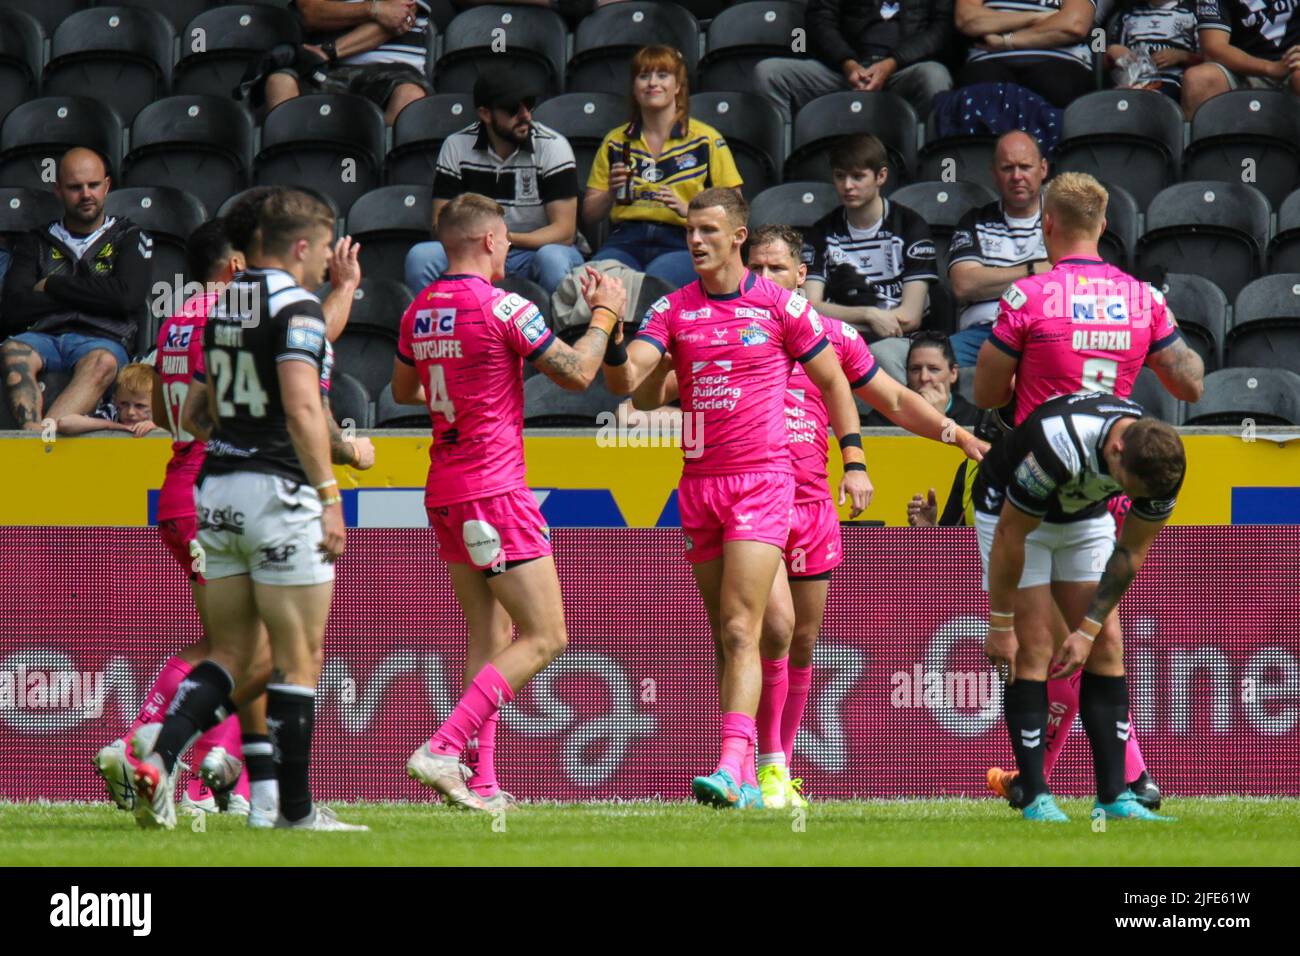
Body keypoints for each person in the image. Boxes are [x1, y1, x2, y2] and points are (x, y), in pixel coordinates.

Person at [631, 222, 986, 807]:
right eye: (759, 268)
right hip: (753, 499)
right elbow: (658, 387)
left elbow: (894, 400)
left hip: (810, 504)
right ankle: (751, 766)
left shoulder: (833, 338)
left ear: (802, 277)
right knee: (754, 630)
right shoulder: (726, 326)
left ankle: (776, 766)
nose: (766, 279)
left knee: (799, 641)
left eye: (778, 269)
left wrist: (951, 432)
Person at [602, 188, 870, 808]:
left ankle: (735, 768)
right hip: (699, 486)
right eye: (690, 231)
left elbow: (834, 380)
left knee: (739, 624)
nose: (695, 241)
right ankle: (755, 766)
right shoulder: (672, 308)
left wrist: (853, 458)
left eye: (708, 231)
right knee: (751, 631)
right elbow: (630, 385)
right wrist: (613, 333)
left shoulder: (778, 306)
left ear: (738, 236)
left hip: (762, 481)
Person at [131, 190, 367, 832]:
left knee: (233, 650)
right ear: (299, 245)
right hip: (278, 490)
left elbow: (198, 410)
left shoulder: (224, 306)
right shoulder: (297, 307)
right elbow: (301, 406)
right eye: (322, 248)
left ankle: (162, 747)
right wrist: (328, 495)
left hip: (216, 488)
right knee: (297, 657)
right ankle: (294, 810)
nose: (324, 262)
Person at [972, 171, 1204, 812]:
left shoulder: (1028, 296)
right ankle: (1050, 790)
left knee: (1088, 641)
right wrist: (1158, 329)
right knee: (1046, 648)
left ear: (1047, 224)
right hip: (1041, 479)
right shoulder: (1142, 298)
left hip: (1089, 476)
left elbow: (985, 394)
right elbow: (1190, 385)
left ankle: (1111, 791)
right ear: (1104, 225)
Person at [393, 193, 627, 811]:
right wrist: (604, 315)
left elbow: (402, 386)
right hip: (494, 489)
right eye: (505, 243)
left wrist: (470, 383)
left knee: (489, 636)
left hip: (444, 488)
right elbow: (577, 374)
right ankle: (444, 748)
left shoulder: (419, 310)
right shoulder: (506, 307)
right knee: (548, 636)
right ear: (493, 241)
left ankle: (483, 778)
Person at [976, 391, 1185, 822]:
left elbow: (1130, 553)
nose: (1128, 496)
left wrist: (1087, 629)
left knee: (1107, 645)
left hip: (1082, 514)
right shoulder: (1058, 443)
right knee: (1033, 647)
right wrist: (1000, 624)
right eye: (1124, 486)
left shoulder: (1163, 465)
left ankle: (1113, 796)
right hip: (1011, 515)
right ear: (1115, 450)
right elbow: (1011, 537)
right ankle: (1034, 795)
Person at [1, 148, 151, 431]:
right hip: (43, 337)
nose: (85, 194)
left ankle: (44, 439)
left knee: (102, 363)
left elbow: (126, 297)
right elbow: (14, 307)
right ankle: (34, 437)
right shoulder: (36, 240)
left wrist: (54, 285)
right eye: (74, 187)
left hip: (102, 341)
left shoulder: (129, 236)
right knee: (12, 350)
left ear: (106, 186)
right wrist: (92, 297)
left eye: (93, 185)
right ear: (58, 190)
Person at [404, 68, 585, 297]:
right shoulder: (457, 146)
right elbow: (440, 225)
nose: (525, 115)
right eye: (512, 109)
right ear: (485, 114)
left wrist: (505, 240)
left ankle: (553, 332)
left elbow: (564, 232)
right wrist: (482, 245)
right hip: (474, 249)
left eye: (528, 104)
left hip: (533, 251)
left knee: (552, 258)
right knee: (422, 257)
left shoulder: (553, 147)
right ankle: (435, 330)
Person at [583, 45, 744, 290]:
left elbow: (736, 207)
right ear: (634, 88)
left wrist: (689, 210)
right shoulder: (616, 140)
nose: (652, 83)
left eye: (662, 75)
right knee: (594, 281)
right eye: (643, 76)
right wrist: (610, 195)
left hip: (683, 239)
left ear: (678, 86)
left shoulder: (705, 139)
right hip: (625, 239)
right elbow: (590, 214)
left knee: (655, 281)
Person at [801, 134, 938, 384]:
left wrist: (841, 318)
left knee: (879, 355)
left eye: (857, 176)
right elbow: (810, 306)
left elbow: (910, 316)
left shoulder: (910, 225)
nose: (847, 186)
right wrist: (870, 314)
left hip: (902, 340)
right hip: (842, 337)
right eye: (840, 176)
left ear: (881, 176)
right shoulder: (822, 231)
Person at [752, 0, 955, 123]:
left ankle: (927, 178)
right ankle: (786, 174)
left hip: (904, 72)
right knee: (769, 73)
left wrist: (892, 63)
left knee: (935, 76)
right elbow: (819, 19)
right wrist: (848, 62)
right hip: (844, 70)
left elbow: (942, 29)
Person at [946, 130, 1049, 368]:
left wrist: (991, 277)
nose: (1016, 176)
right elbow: (964, 285)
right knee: (935, 363)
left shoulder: (1063, 219)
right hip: (983, 334)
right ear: (994, 173)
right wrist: (1035, 271)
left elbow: (1073, 278)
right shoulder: (974, 221)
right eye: (1007, 168)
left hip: (1044, 330)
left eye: (1025, 167)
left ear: (1043, 169)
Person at [269, 0, 433, 125]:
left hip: (396, 72)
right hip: (325, 69)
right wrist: (374, 9)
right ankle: (298, 162)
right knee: (279, 83)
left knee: (410, 95)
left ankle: (384, 166)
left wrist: (330, 51)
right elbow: (311, 13)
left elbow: (399, 15)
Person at [955, 0, 1097, 107]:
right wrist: (1035, 18)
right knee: (981, 88)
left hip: (1060, 65)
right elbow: (967, 19)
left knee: (1054, 83)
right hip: (988, 63)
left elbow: (1074, 24)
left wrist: (1006, 40)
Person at [1180, 0, 1300, 118]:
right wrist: (1271, 68)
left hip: (1293, 64)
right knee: (1198, 79)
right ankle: (1207, 137)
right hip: (1240, 68)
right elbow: (1213, 48)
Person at [864, 332, 980, 427]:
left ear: (953, 373)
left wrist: (939, 419)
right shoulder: (887, 414)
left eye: (933, 369)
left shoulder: (972, 417)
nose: (923, 377)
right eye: (915, 369)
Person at [1105, 0, 1202, 100]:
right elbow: (1106, 59)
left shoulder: (1192, 14)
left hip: (1171, 82)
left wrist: (1181, 56)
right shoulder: (1127, 16)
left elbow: (1206, 60)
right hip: (1132, 81)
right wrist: (1113, 51)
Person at [54, 362, 160, 437]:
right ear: (115, 400)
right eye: (124, 404)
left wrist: (156, 426)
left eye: (140, 406)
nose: (130, 412)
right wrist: (112, 426)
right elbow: (65, 423)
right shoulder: (111, 412)